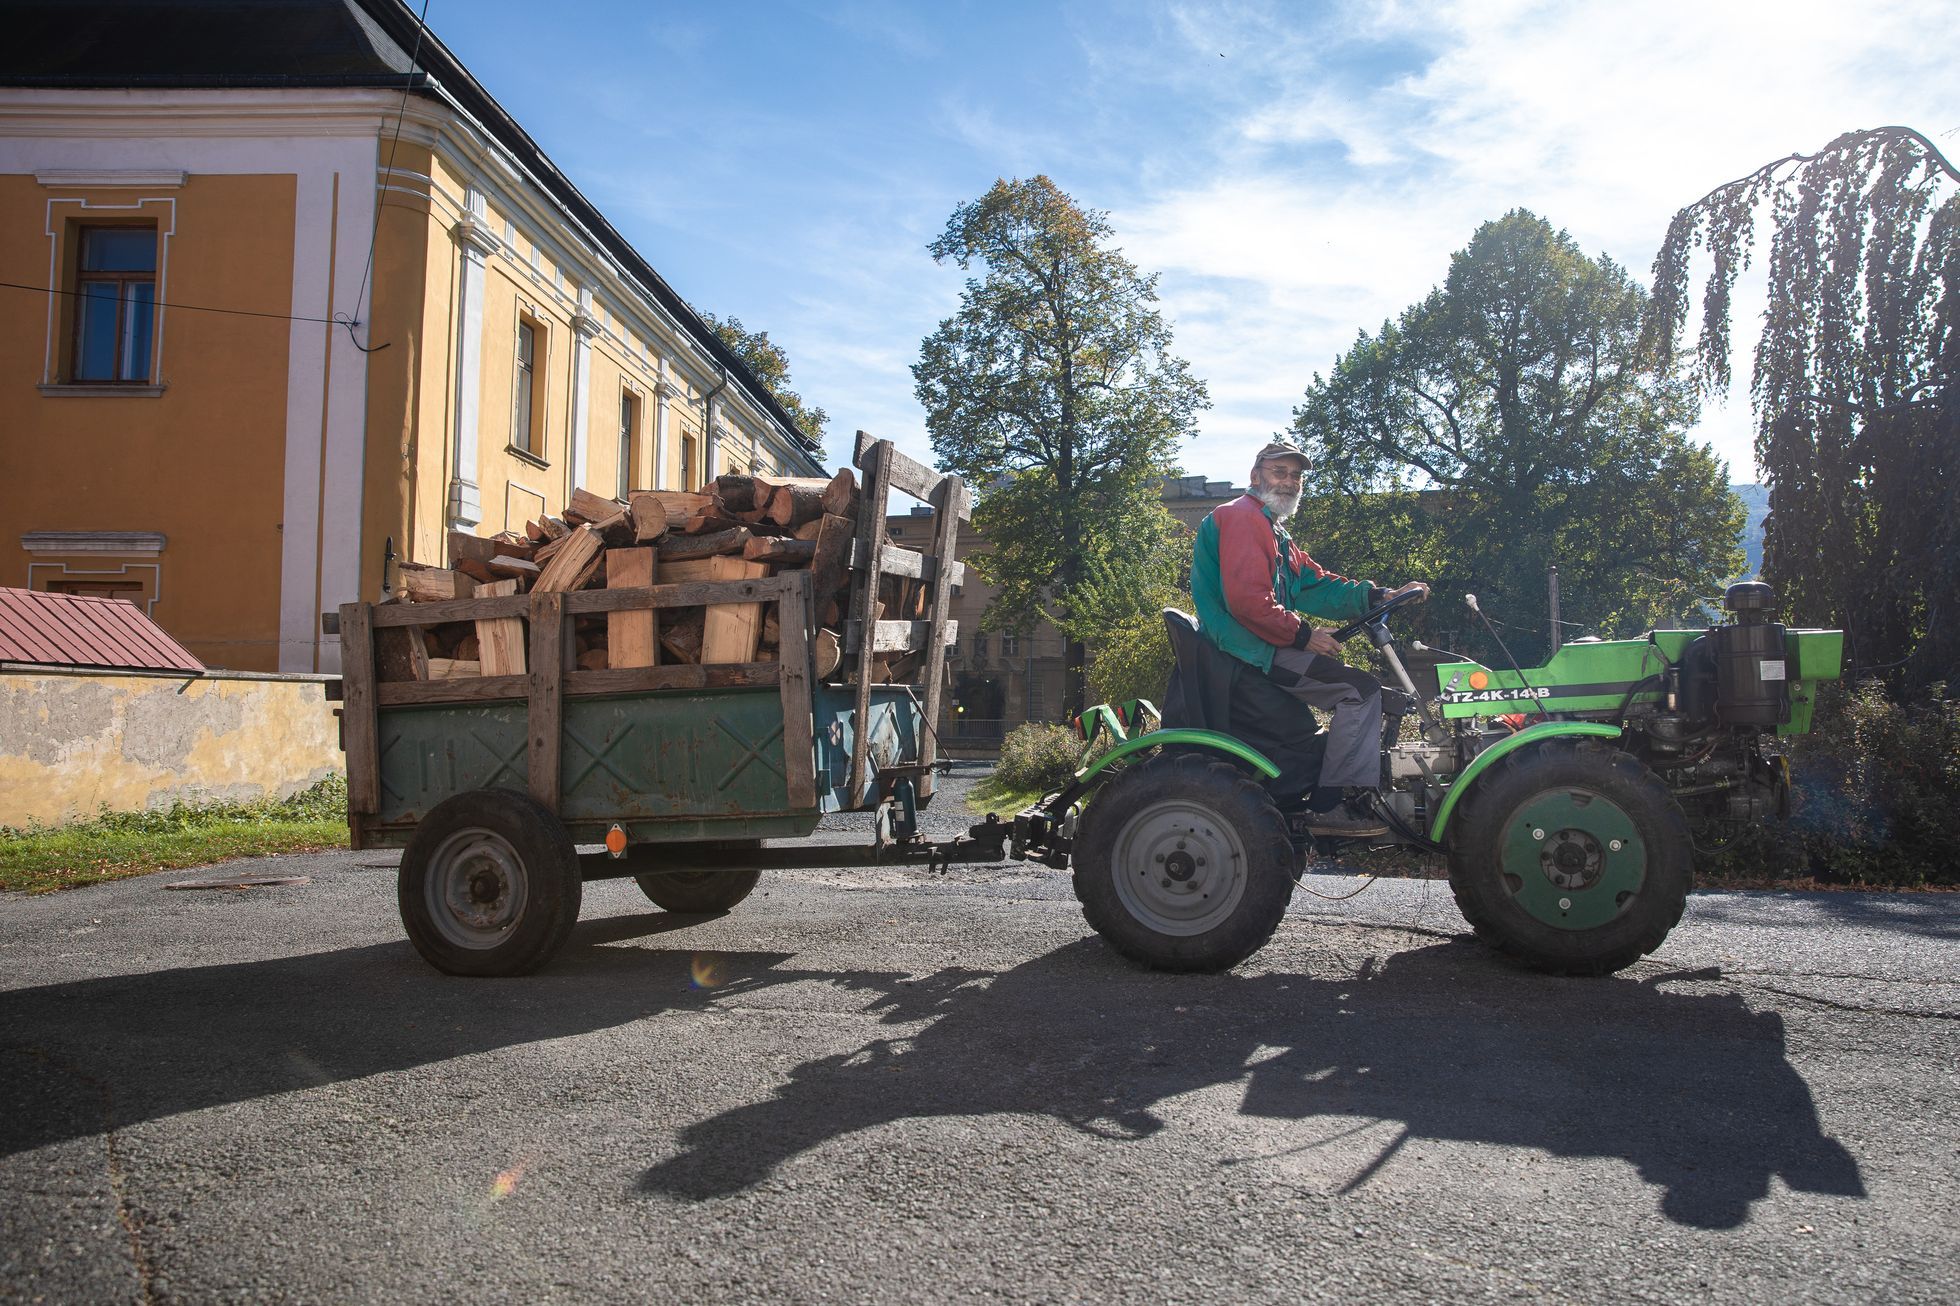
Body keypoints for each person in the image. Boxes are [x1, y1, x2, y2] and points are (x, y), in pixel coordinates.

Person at [1189, 438, 1428, 836]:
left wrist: (1377, 596)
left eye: (1296, 475)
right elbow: (1248, 603)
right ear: (1255, 475)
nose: (1289, 482)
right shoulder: (1242, 518)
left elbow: (1319, 586)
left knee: (1370, 693)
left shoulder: (1273, 532)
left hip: (1264, 644)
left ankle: (1353, 785)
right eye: (1279, 472)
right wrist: (1304, 635)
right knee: (1361, 692)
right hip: (1247, 650)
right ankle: (1333, 805)